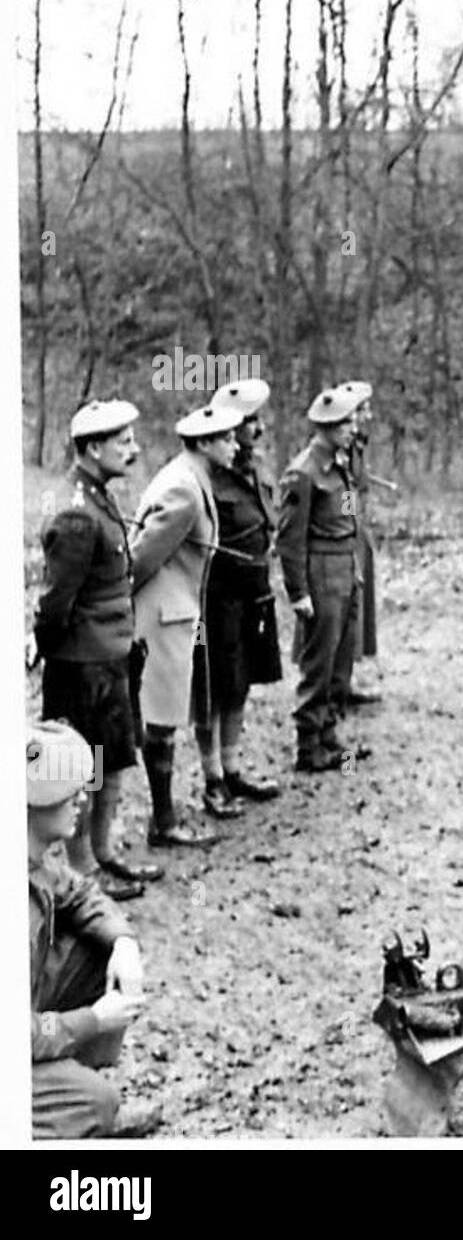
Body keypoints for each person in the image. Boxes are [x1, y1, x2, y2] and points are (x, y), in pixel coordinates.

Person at [31, 399, 161, 901]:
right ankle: (82, 868)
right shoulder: (76, 512)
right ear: (91, 448)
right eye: (123, 442)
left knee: (109, 759)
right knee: (81, 765)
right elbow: (56, 602)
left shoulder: (97, 496)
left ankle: (103, 853)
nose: (133, 449)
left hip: (110, 658)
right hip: (83, 666)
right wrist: (44, 646)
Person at [29, 720, 162, 1139]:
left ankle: (69, 1081)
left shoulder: (32, 854)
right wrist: (92, 1020)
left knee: (101, 949)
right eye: (69, 791)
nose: (82, 799)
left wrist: (122, 941)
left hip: (29, 1016)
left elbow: (81, 892)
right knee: (96, 1103)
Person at [132, 402, 242, 844]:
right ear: (203, 443)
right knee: (159, 721)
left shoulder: (192, 479)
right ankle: (164, 822)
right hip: (162, 616)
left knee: (165, 718)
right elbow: (140, 557)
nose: (235, 447)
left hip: (177, 613)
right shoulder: (183, 488)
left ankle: (165, 818)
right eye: (227, 439)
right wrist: (115, 606)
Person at [192, 378, 281, 808]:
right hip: (217, 600)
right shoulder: (205, 479)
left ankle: (233, 769)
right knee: (214, 688)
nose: (258, 430)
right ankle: (211, 779)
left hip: (253, 593)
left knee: (241, 683)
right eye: (250, 423)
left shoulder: (254, 471)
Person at [277, 384, 367, 772]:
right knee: (320, 660)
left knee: (342, 657)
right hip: (321, 572)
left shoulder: (341, 464)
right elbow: (289, 538)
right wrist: (298, 591)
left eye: (352, 420)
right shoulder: (303, 473)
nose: (352, 427)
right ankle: (308, 744)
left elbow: (350, 517)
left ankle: (330, 734)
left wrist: (356, 565)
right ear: (326, 427)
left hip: (345, 565)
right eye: (344, 422)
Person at [337, 379, 382, 709]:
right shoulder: (341, 449)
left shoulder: (357, 445)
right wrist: (353, 526)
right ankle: (337, 682)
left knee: (359, 606)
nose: (368, 415)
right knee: (346, 606)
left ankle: (347, 677)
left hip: (358, 529)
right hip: (346, 533)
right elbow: (345, 495)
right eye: (362, 409)